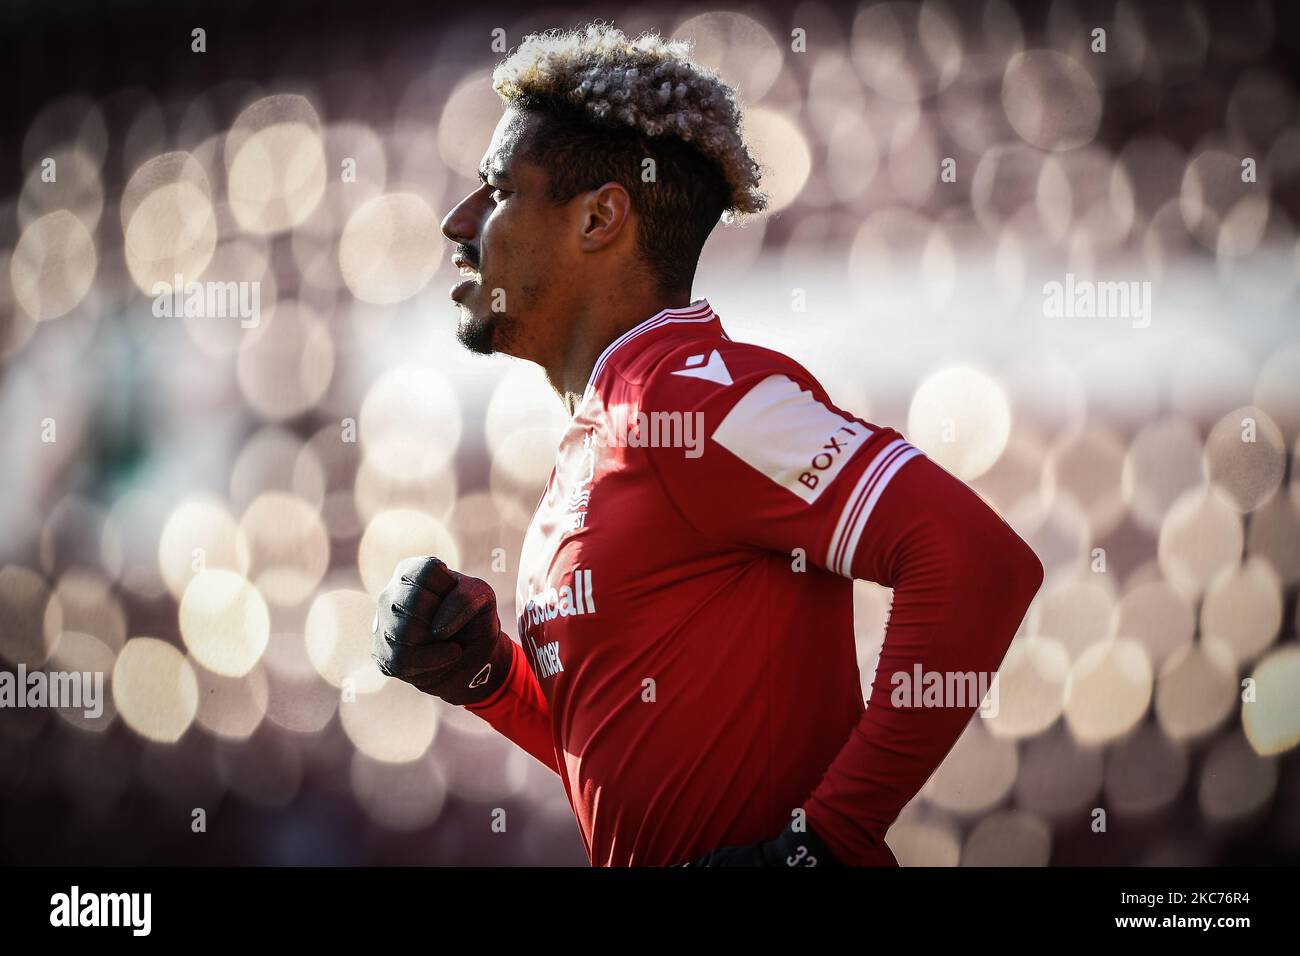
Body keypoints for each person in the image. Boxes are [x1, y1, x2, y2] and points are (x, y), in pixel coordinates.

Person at [372, 23, 1043, 867]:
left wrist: (825, 842)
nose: (456, 221)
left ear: (601, 218)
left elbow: (976, 559)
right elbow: (633, 760)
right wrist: (491, 681)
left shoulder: (694, 395)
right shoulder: (598, 437)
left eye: (497, 189)